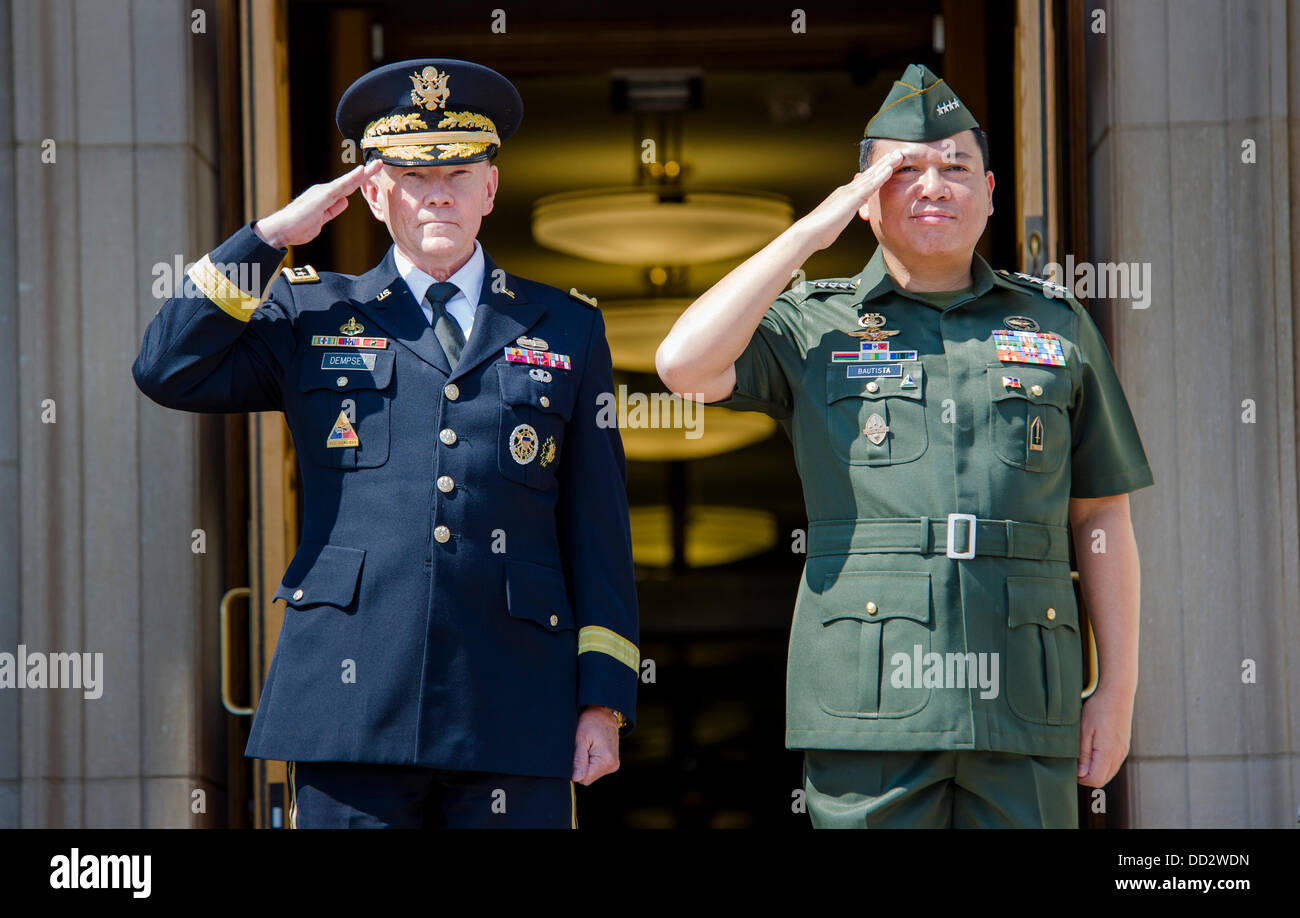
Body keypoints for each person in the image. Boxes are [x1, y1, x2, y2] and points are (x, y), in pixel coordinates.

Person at [133, 58, 639, 829]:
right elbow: (166, 367)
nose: (438, 191)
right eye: (410, 175)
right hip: (350, 702)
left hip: (513, 701)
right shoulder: (312, 313)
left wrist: (602, 698)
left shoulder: (565, 326)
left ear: (490, 189)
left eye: (461, 172)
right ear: (372, 192)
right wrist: (269, 239)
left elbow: (597, 526)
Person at [656, 63, 1152, 828]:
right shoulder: (814, 326)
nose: (933, 186)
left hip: (1024, 694)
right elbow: (682, 363)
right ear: (865, 200)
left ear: (990, 194)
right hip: (870, 699)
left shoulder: (1056, 325)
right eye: (902, 170)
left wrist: (1115, 692)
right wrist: (813, 230)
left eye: (957, 168)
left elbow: (1101, 516)